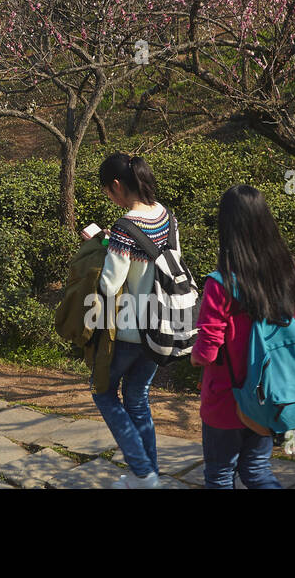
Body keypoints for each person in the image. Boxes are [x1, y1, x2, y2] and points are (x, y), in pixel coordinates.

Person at [191, 185, 295, 489]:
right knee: (256, 468)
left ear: (226, 226)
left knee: (219, 473)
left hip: (226, 398)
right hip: (268, 394)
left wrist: (194, 355)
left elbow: (208, 351)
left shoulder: (221, 283)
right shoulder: (288, 272)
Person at [87, 153, 173, 489]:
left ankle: (143, 471)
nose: (111, 196)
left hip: (129, 331)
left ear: (118, 186)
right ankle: (149, 475)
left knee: (103, 392)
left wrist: (99, 245)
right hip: (161, 327)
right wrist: (114, 242)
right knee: (137, 396)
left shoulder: (126, 226)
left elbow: (109, 284)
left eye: (109, 191)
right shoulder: (167, 215)